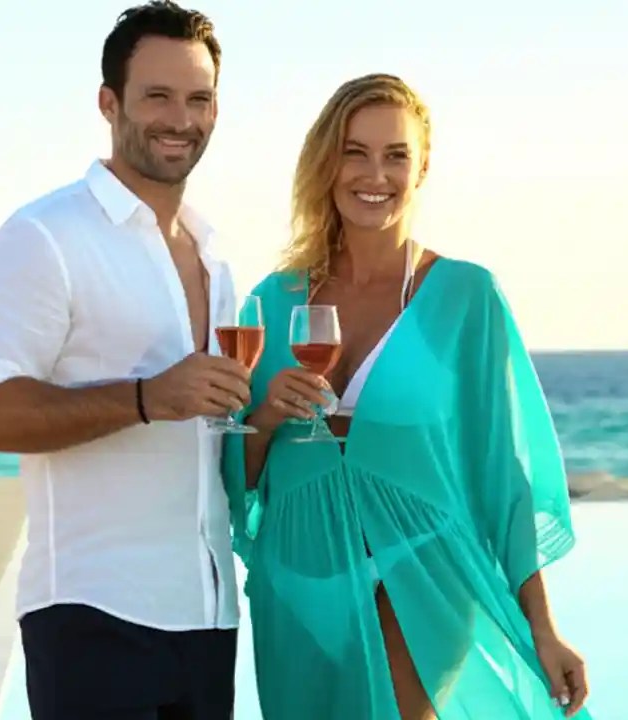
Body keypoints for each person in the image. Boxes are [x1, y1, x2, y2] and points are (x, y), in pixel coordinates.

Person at [222, 73, 594, 719]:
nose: (375, 174)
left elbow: (502, 474)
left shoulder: (464, 297)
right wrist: (266, 414)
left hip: (422, 568)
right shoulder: (272, 301)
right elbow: (237, 480)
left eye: (396, 155)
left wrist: (543, 626)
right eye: (355, 151)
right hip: (301, 575)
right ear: (325, 162)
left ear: (422, 169)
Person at [0, 3, 250, 718]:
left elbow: (214, 442)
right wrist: (145, 398)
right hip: (92, 619)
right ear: (108, 103)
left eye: (199, 98)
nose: (181, 118)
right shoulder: (45, 237)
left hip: (209, 620)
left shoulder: (216, 253)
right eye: (157, 96)